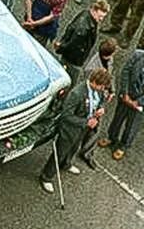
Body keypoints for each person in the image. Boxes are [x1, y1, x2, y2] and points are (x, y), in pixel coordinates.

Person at [40, 64, 111, 193]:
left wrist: (101, 108)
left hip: (83, 128)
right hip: (69, 130)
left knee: (74, 147)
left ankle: (66, 164)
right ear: (94, 82)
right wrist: (86, 122)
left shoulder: (98, 91)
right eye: (101, 86)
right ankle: (46, 176)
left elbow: (100, 101)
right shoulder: (77, 93)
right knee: (60, 152)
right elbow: (66, 115)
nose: (103, 90)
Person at [102, 47, 144, 161]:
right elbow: (126, 71)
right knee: (118, 118)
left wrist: (138, 102)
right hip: (126, 95)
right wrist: (125, 93)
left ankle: (123, 146)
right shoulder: (138, 55)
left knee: (132, 126)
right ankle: (111, 137)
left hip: (140, 104)